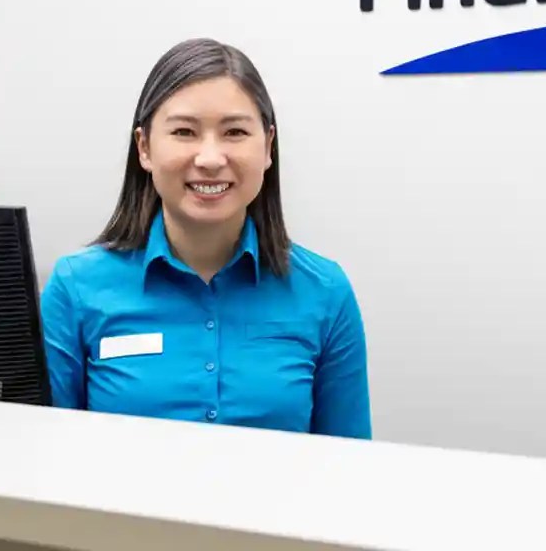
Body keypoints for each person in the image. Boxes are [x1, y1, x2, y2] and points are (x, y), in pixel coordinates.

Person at [40, 38, 371, 439]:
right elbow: (47, 459)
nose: (210, 159)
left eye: (234, 132)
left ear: (267, 147)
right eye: (184, 131)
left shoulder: (325, 292)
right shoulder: (75, 289)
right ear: (144, 148)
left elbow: (349, 467)